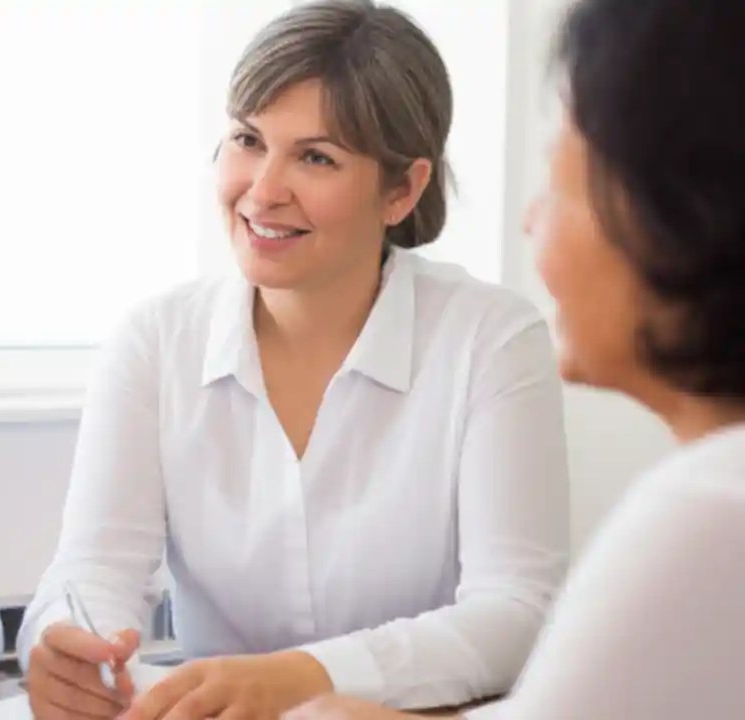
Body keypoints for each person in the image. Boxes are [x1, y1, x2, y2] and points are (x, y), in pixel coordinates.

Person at [17, 1, 570, 717]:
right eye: (248, 140)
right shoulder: (153, 341)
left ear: (402, 189)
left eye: (316, 157)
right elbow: (92, 568)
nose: (263, 189)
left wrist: (306, 676)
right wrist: (67, 643)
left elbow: (519, 613)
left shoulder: (491, 338)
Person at [289, 1, 745, 719]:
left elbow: (520, 627)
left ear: (682, 211)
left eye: (563, 178)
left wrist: (318, 697)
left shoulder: (710, 513)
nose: (532, 218)